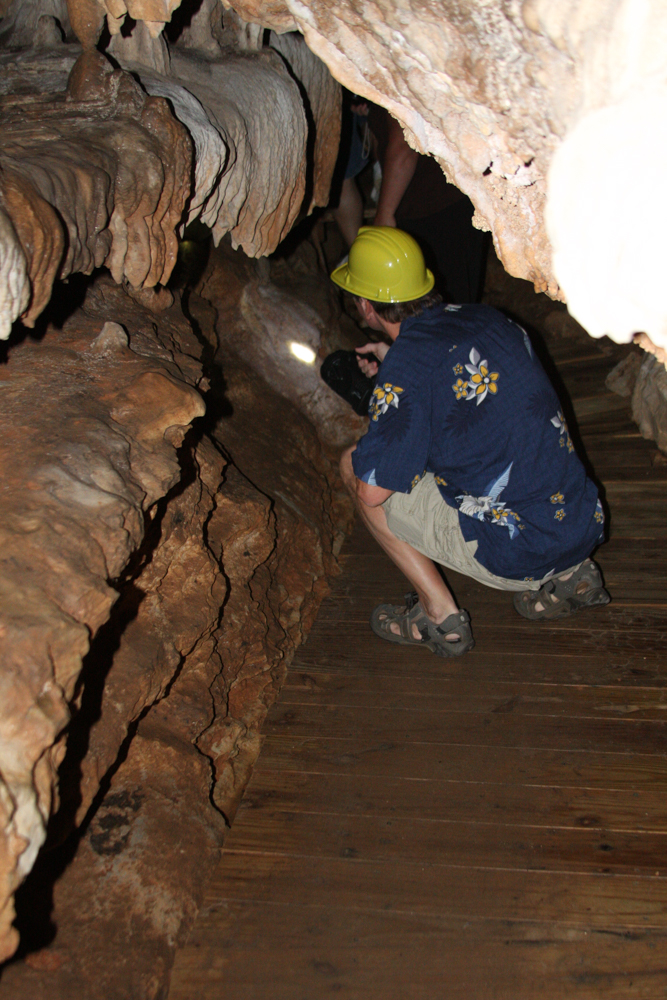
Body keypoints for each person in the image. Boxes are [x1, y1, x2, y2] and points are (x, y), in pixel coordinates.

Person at [331, 227, 609, 657]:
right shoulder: (489, 319)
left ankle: (438, 618)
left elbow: (373, 490)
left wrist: (390, 392)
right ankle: (573, 575)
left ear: (366, 305)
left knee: (354, 467)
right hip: (580, 520)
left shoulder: (408, 372)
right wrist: (394, 365)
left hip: (516, 551)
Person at [367, 105, 488, 304]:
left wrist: (384, 215)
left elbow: (404, 146)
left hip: (432, 206)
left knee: (443, 299)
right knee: (456, 297)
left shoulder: (398, 88)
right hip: (454, 196)